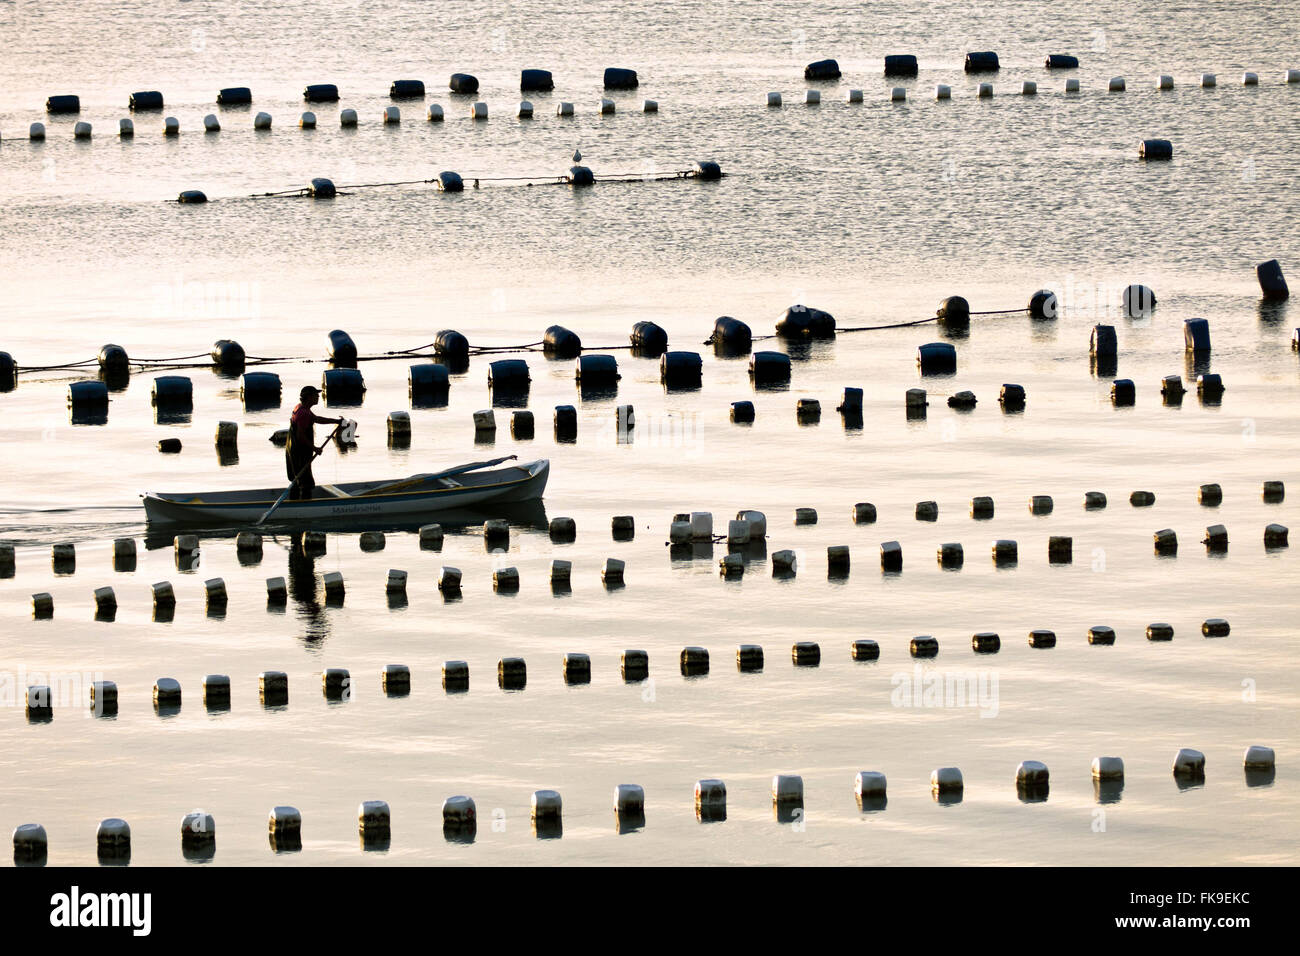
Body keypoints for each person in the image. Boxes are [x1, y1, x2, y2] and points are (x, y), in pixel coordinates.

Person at [286, 386, 343, 500]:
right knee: (306, 482)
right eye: (315, 395)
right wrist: (314, 448)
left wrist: (335, 421)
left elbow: (317, 419)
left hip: (293, 451)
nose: (318, 397)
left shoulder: (302, 408)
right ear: (309, 397)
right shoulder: (303, 413)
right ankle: (304, 508)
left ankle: (294, 504)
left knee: (297, 480)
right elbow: (300, 436)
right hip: (299, 453)